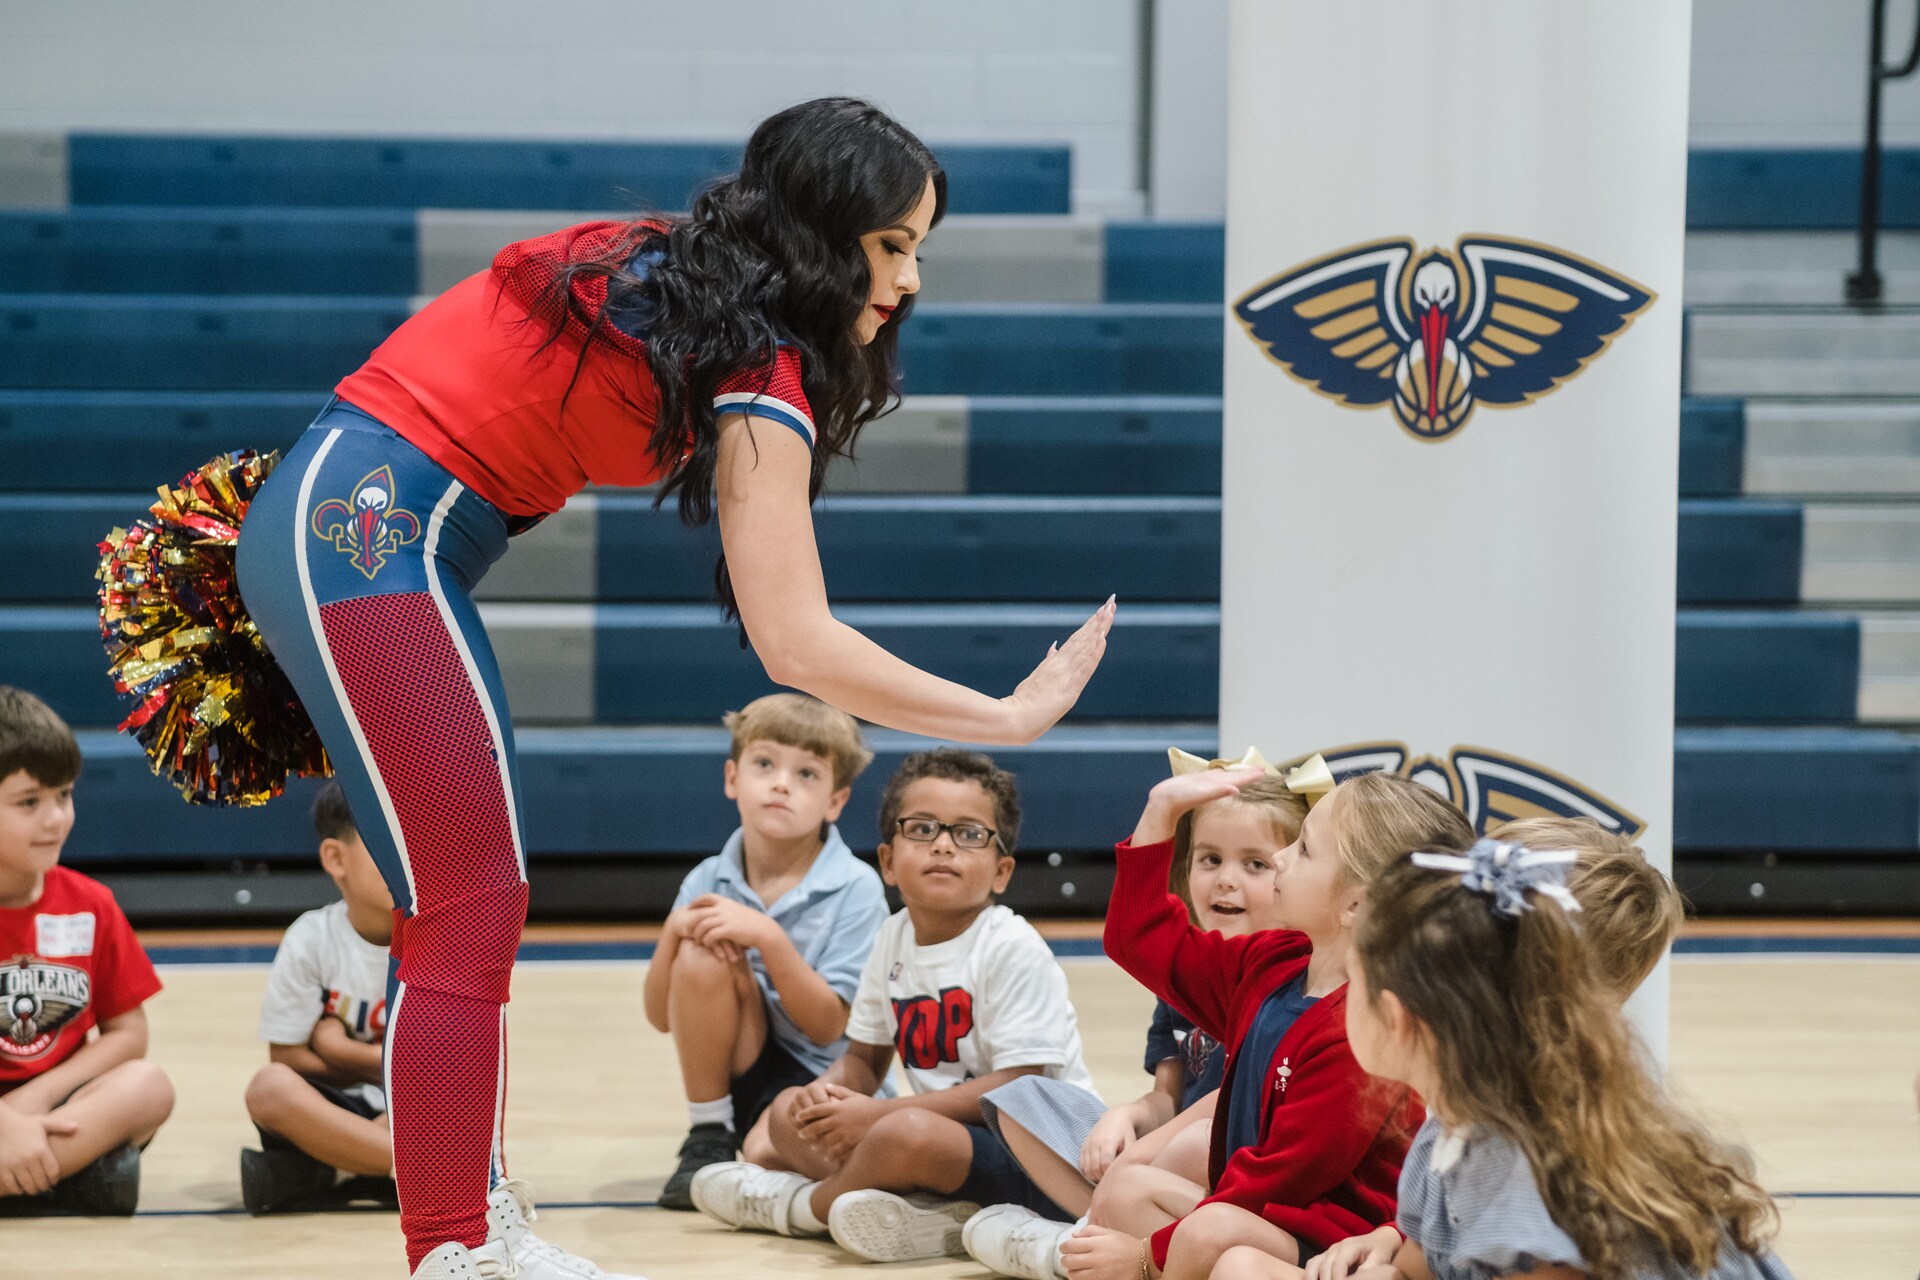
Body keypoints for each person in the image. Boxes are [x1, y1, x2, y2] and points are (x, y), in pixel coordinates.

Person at [231, 97, 1113, 1279]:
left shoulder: (682, 284)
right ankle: (457, 1244)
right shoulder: (754, 357)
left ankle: (468, 1223)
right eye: (893, 243)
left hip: (349, 520)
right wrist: (1005, 716)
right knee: (471, 898)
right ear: (821, 231)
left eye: (920, 248)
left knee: (466, 899)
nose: (910, 279)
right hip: (365, 532)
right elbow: (795, 641)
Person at [1260, 838, 1792, 1280]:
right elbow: (1416, 1267)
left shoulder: (1520, 1174)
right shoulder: (1456, 1122)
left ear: (1398, 1018)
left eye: (1354, 979)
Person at [689, 748, 1096, 1263]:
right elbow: (864, 1060)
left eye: (969, 834)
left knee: (903, 1133)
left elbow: (1019, 1087)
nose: (943, 845)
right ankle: (935, 1216)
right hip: (939, 1141)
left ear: (1002, 871)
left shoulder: (1011, 946)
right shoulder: (892, 937)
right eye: (922, 829)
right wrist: (827, 1096)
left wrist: (878, 1114)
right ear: (887, 861)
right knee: (789, 1113)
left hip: (1038, 1157)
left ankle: (801, 1208)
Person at [1069, 768, 1475, 1280]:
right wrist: (1160, 811)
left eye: (1302, 849)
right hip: (1268, 1214)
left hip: (1342, 1245)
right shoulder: (1277, 960)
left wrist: (1145, 1259)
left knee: (1209, 1232)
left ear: (1355, 904)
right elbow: (1140, 942)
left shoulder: (1361, 1031)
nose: (1281, 858)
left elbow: (1273, 1181)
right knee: (1127, 1190)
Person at [965, 766, 1309, 1279]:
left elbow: (1233, 1101)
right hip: (1167, 1170)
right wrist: (1125, 1118)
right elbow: (1168, 1096)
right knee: (1021, 1100)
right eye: (1210, 859)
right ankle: (1099, 1230)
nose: (1225, 878)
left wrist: (1139, 1159)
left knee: (1196, 1141)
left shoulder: (1298, 977)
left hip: (1237, 1184)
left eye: (1254, 864)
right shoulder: (1188, 971)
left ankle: (1073, 1246)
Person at [645, 694, 886, 1207]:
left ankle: (836, 1184)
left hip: (827, 1077)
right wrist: (672, 931)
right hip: (740, 1066)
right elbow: (659, 1017)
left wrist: (768, 937)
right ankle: (708, 1134)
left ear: (836, 801)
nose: (781, 783)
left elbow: (827, 1027)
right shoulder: (708, 878)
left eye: (807, 774)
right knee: (701, 952)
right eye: (764, 764)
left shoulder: (857, 887)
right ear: (732, 778)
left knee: (764, 1152)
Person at [0, 687, 173, 1215]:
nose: (56, 818)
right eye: (29, 802)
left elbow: (129, 1035)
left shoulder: (90, 904)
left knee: (148, 1087)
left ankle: (24, 1169)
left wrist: (32, 1101)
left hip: (55, 1106)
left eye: (64, 795)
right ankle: (66, 1176)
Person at [241, 780, 397, 1213]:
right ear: (335, 858)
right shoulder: (311, 938)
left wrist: (337, 1049)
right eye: (387, 843)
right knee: (268, 1089)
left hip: (409, 1109)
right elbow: (287, 1059)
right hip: (332, 1110)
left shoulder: (440, 938)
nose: (405, 859)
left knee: (457, 1101)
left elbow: (444, 1067)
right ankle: (418, 1172)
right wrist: (377, 1065)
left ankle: (331, 1170)